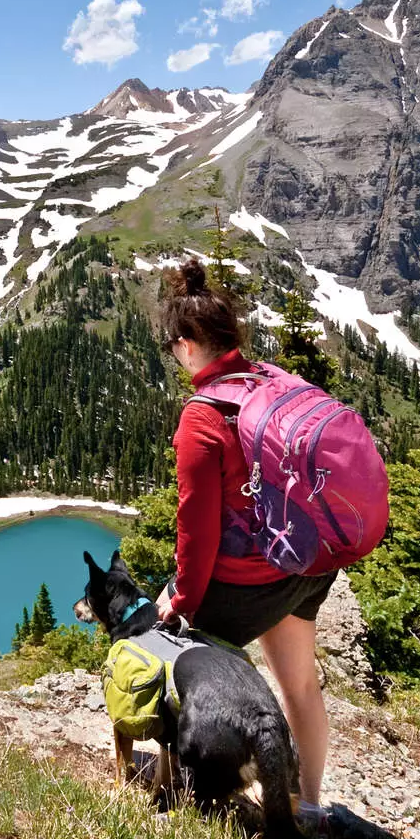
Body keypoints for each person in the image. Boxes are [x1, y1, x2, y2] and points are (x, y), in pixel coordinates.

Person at [154, 257, 336, 805]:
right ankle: (309, 805)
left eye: (173, 349)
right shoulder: (272, 381)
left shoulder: (203, 416)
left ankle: (189, 790)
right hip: (312, 560)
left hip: (257, 575)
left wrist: (181, 600)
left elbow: (197, 527)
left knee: (172, 657)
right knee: (300, 685)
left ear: (186, 345)